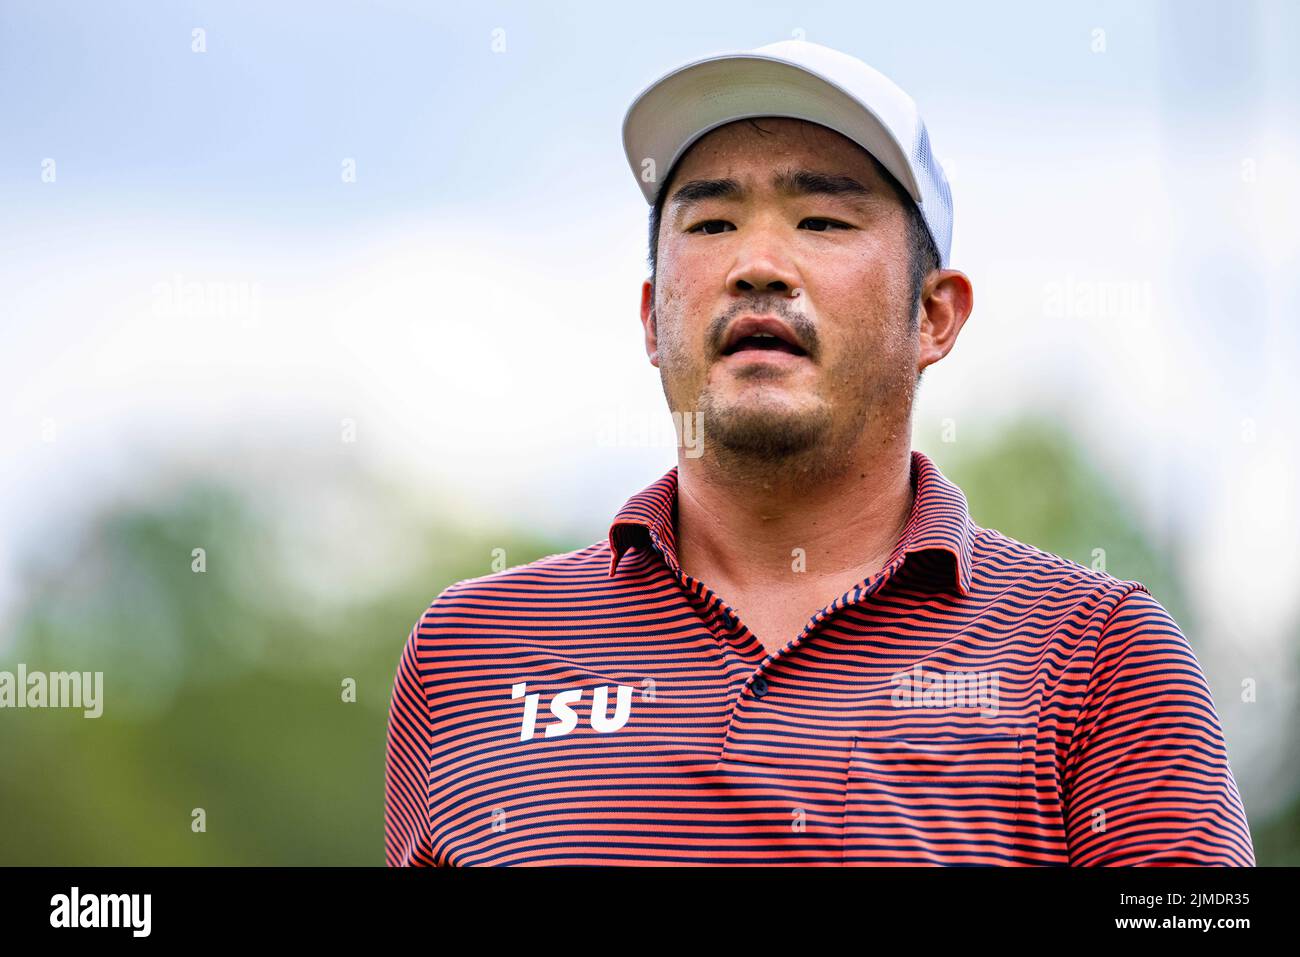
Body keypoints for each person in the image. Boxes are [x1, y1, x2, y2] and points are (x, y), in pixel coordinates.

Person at [384, 39, 1254, 866]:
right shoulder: (470, 648)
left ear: (934, 315)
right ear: (652, 318)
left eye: (824, 220)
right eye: (713, 222)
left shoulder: (1097, 656)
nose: (759, 263)